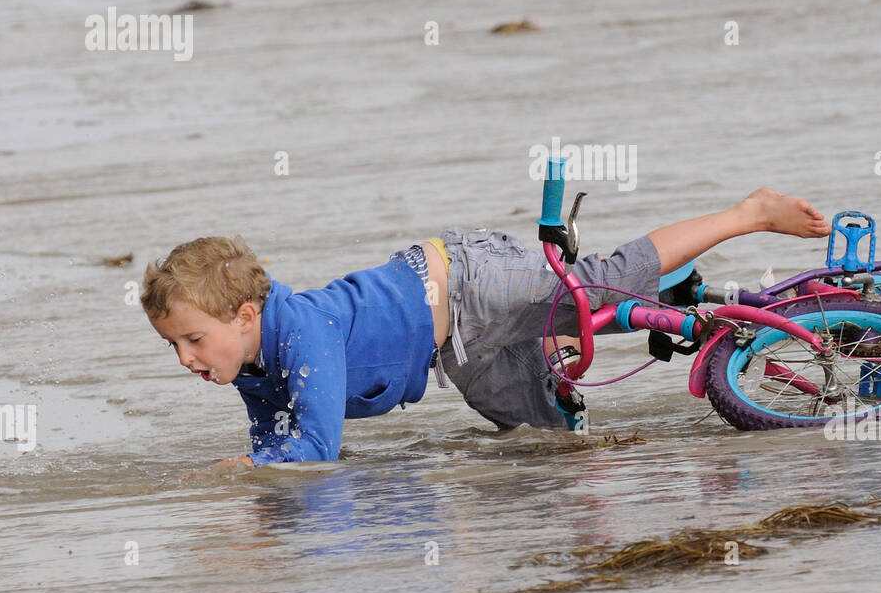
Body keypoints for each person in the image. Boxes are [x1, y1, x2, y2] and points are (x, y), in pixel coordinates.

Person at [141, 189, 830, 467]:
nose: (185, 358)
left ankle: (749, 212)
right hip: (454, 348)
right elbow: (276, 447)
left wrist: (245, 475)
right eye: (175, 344)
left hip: (465, 281)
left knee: (600, 283)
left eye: (194, 339)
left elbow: (315, 449)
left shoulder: (302, 335)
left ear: (245, 315)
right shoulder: (254, 364)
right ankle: (695, 316)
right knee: (548, 445)